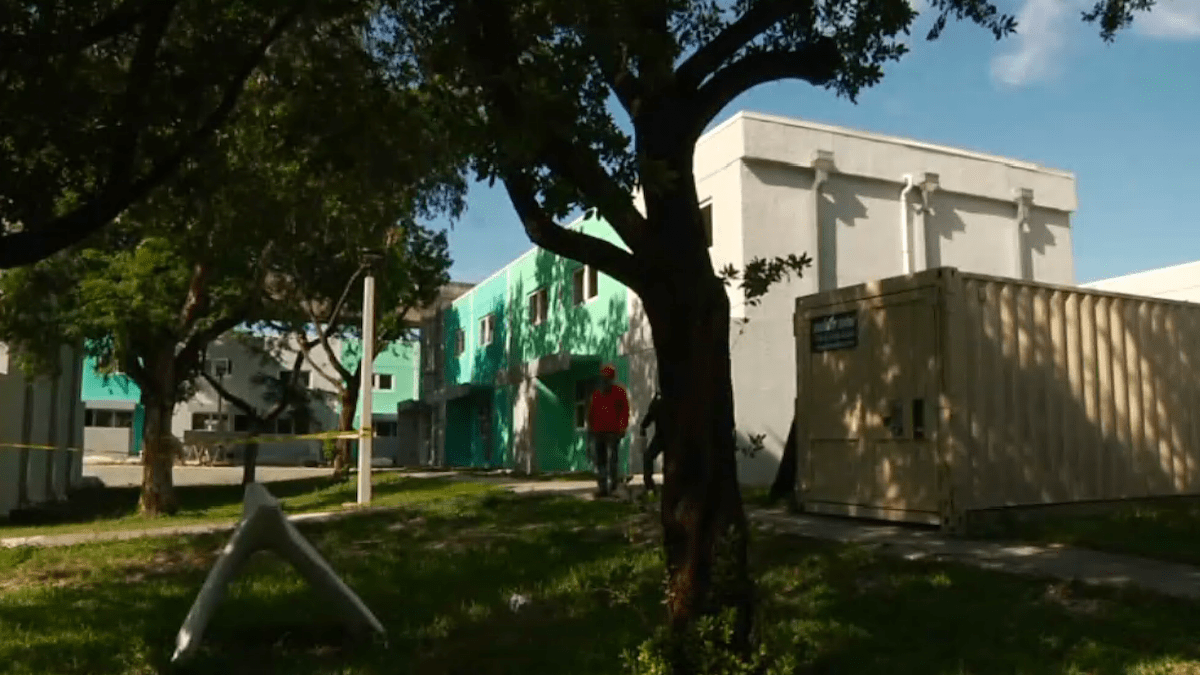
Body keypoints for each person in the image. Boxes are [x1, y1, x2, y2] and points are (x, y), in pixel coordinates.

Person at [587, 363, 629, 497]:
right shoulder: (597, 394)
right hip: (599, 431)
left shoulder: (619, 392)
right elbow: (591, 414)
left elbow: (624, 411)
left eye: (607, 378)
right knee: (601, 461)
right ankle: (603, 487)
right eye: (603, 378)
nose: (605, 380)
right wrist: (591, 430)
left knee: (612, 460)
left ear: (612, 378)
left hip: (613, 432)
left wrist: (622, 427)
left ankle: (613, 486)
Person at [639, 391, 663, 492]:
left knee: (648, 457)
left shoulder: (659, 401)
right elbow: (650, 415)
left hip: (665, 436)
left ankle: (649, 485)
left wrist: (643, 426)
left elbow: (650, 415)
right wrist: (643, 426)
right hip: (662, 436)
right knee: (648, 456)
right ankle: (649, 485)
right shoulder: (658, 401)